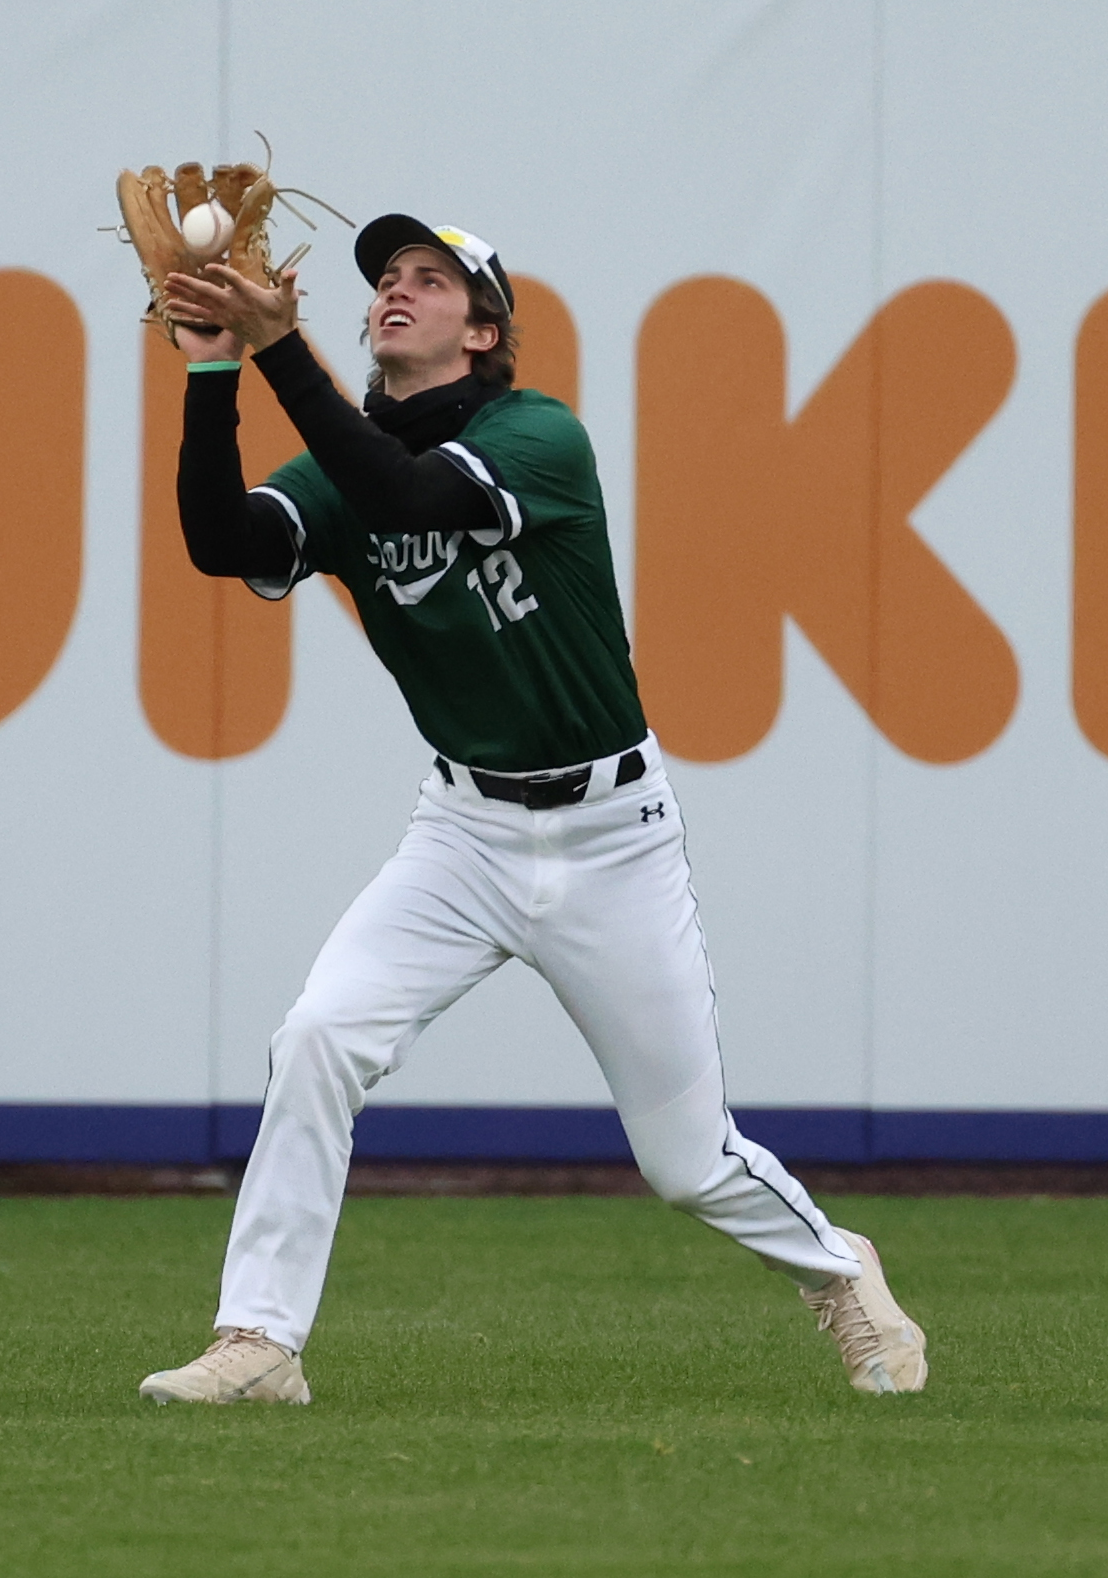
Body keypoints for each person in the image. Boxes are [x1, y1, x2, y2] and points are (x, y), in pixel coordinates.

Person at [137, 216, 927, 1405]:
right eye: (385, 280)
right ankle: (258, 1344)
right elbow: (220, 539)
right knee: (317, 1039)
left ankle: (838, 1270)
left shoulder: (537, 434)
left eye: (431, 279)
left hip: (613, 837)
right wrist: (211, 369)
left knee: (687, 1164)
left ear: (484, 327)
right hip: (463, 834)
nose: (396, 291)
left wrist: (280, 346)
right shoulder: (338, 461)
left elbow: (408, 491)